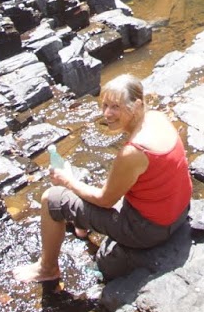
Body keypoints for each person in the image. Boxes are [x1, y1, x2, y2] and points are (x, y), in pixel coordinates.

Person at [12, 74, 192, 284]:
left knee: (51, 199)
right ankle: (82, 222)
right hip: (179, 214)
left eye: (115, 106)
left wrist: (67, 180)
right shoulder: (157, 118)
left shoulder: (133, 152)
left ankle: (47, 268)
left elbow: (105, 200)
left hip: (148, 231)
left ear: (137, 105)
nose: (107, 113)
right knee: (98, 185)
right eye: (104, 105)